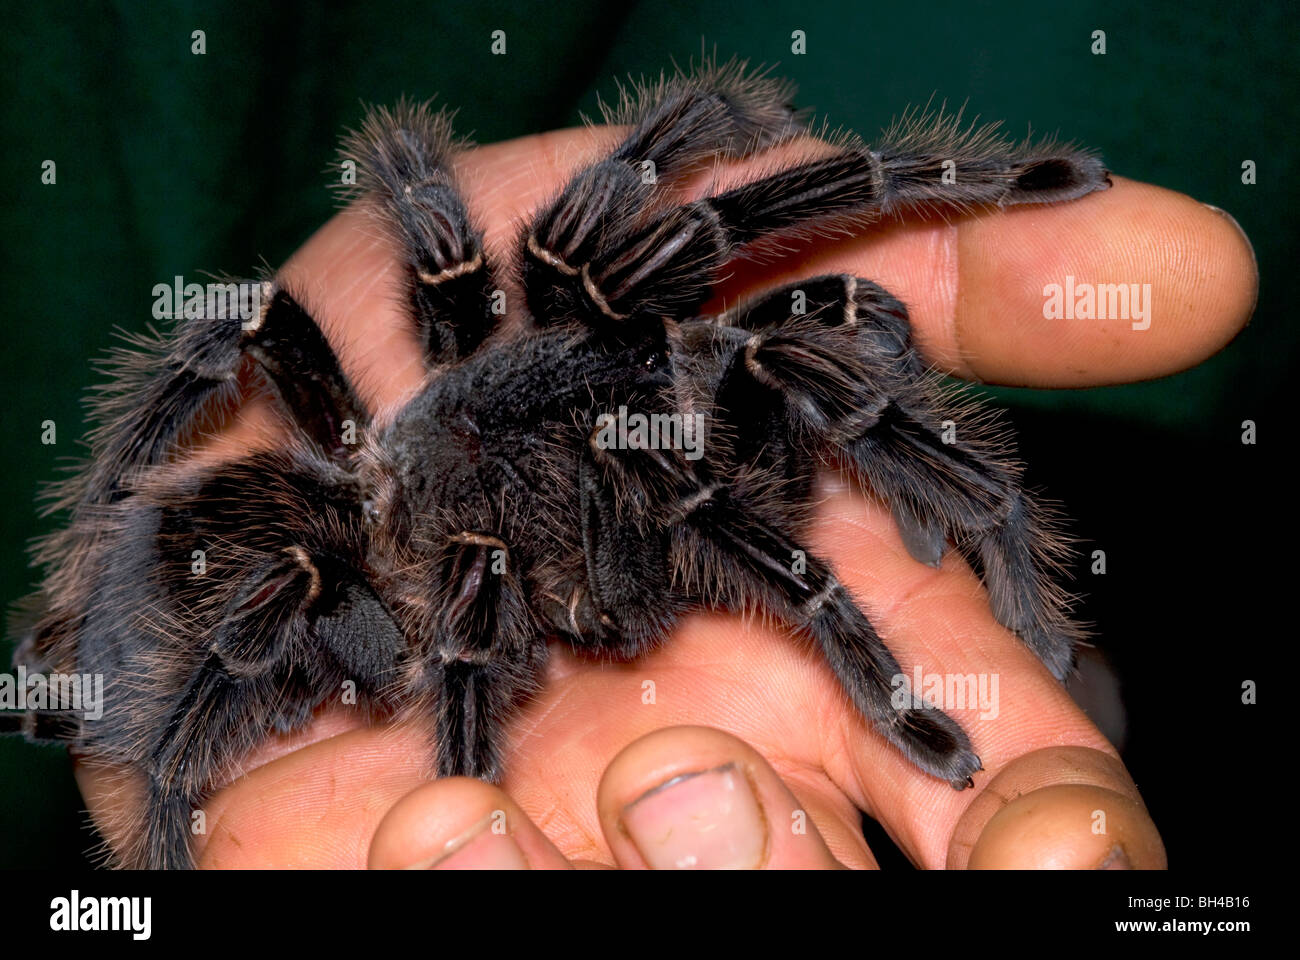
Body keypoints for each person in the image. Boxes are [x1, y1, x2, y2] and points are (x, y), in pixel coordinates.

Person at [76, 124, 1257, 869]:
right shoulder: (647, 499)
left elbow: (429, 175)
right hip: (352, 589)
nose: (698, 340)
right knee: (277, 380)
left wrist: (918, 184)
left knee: (766, 300)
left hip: (373, 498)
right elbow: (413, 185)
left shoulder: (622, 348)